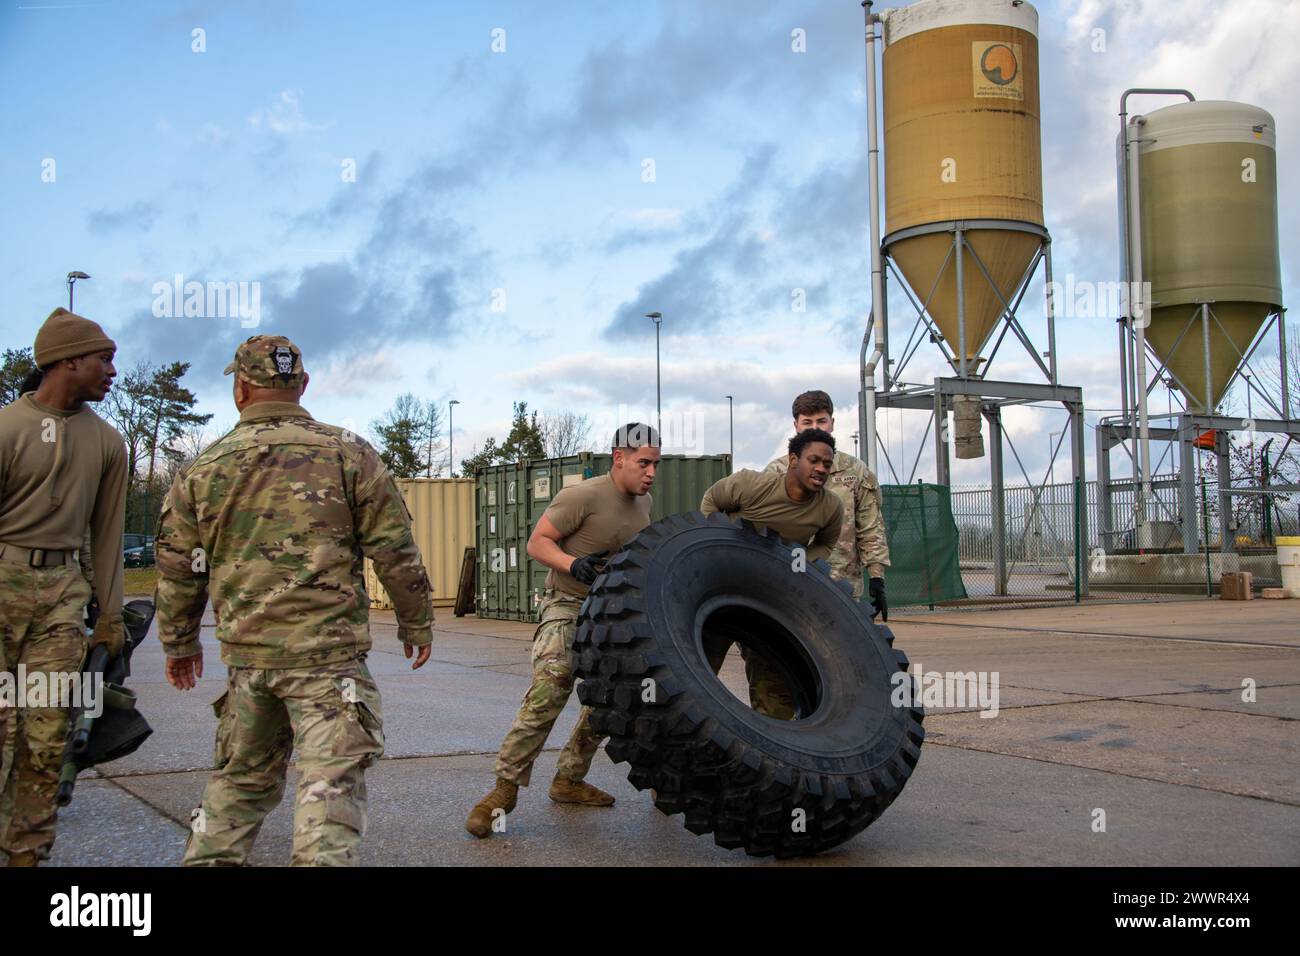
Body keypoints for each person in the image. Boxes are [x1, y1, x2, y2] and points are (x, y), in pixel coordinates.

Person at [154, 335, 434, 866]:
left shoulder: (202, 468)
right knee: (328, 792)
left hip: (248, 663)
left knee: (238, 784)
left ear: (240, 388)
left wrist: (179, 642)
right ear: (302, 385)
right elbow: (395, 552)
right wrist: (415, 623)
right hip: (329, 664)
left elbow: (177, 568)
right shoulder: (349, 452)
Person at [466, 423, 660, 839]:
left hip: (612, 616)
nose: (650, 473)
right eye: (644, 463)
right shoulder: (582, 496)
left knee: (610, 700)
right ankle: (503, 791)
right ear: (619, 457)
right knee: (551, 685)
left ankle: (569, 779)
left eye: (656, 464)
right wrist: (573, 564)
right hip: (567, 605)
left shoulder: (645, 504)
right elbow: (537, 543)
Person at [0, 308, 127, 866]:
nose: (112, 372)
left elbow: (107, 537)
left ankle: (26, 855)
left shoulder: (109, 442)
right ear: (67, 359)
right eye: (104, 359)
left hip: (62, 595)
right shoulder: (7, 429)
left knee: (48, 736)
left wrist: (112, 617)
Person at [700, 428, 844, 720]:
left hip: (771, 598)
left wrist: (799, 559)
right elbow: (710, 501)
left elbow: (826, 543)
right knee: (698, 670)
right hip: (722, 587)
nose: (820, 469)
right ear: (793, 460)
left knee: (774, 690)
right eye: (813, 460)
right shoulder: (752, 485)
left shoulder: (830, 506)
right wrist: (720, 543)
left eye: (827, 464)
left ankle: (768, 745)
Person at [764, 390, 890, 620]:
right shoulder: (777, 472)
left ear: (832, 423)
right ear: (796, 426)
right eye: (807, 422)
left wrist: (876, 577)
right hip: (788, 582)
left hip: (841, 586)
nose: (815, 428)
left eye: (822, 421)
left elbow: (870, 526)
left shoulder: (855, 471)